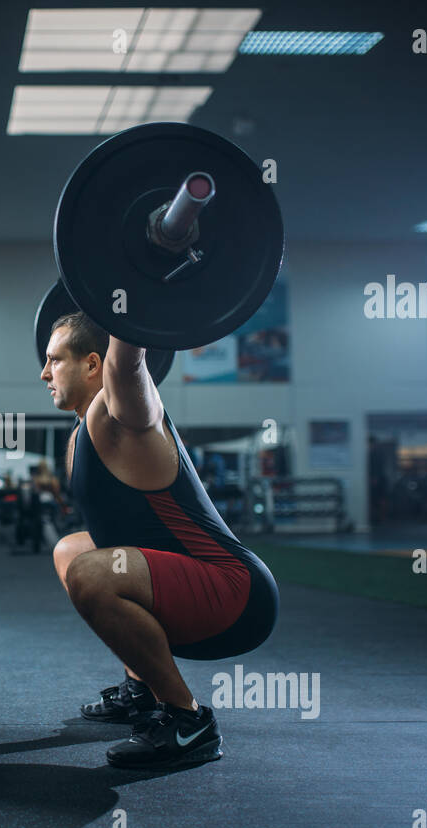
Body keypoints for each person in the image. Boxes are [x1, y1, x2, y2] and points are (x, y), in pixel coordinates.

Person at [42, 313, 279, 770]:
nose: (44, 373)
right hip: (190, 587)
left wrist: (127, 295)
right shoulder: (84, 430)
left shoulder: (125, 410)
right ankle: (143, 693)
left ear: (94, 364)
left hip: (235, 594)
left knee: (90, 572)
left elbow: (128, 362)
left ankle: (187, 719)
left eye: (54, 360)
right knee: (72, 549)